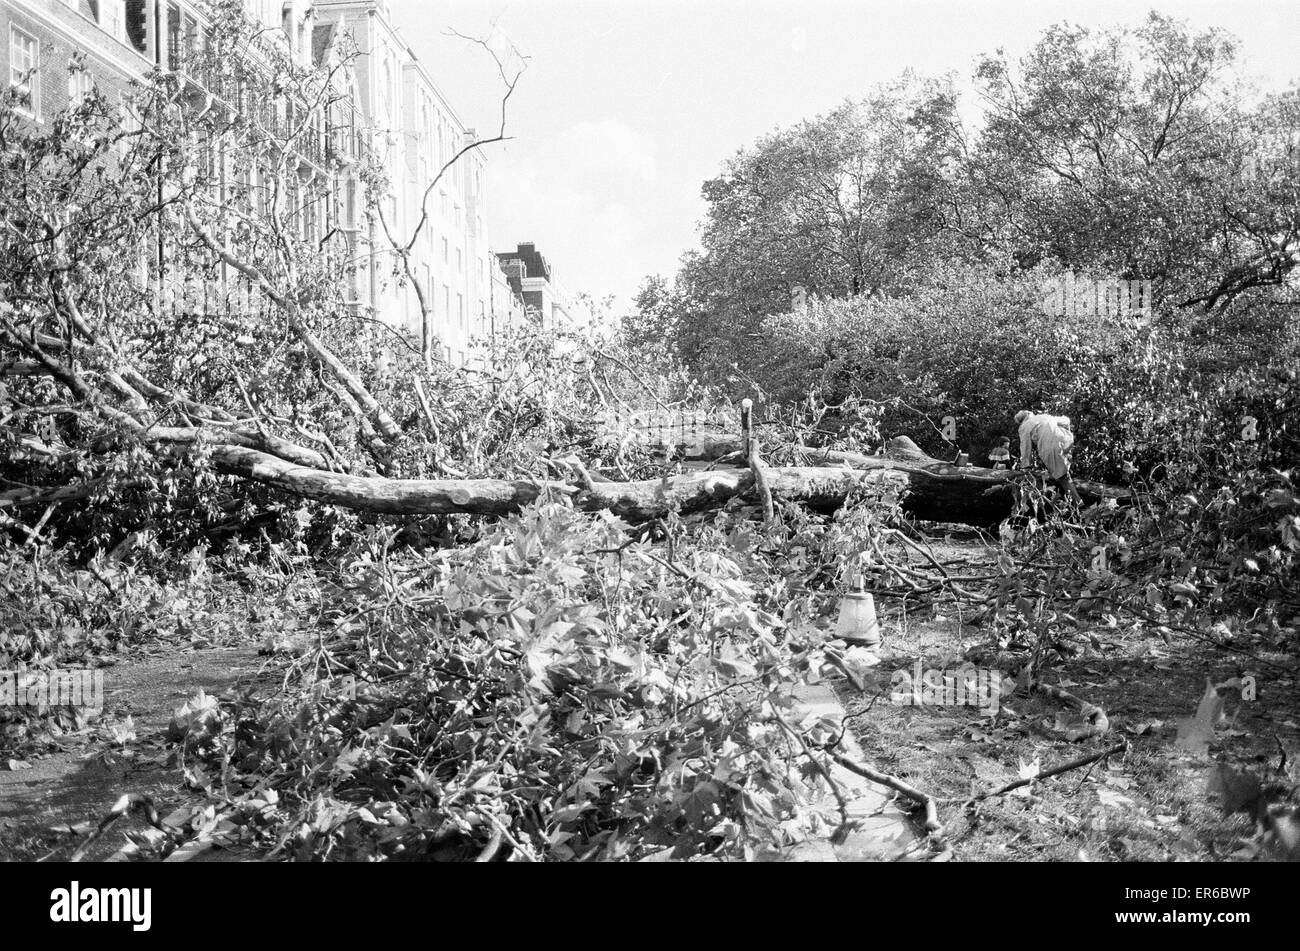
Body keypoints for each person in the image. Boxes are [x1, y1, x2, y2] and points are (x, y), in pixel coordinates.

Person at [1014, 410, 1082, 505]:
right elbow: (1066, 420)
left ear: (1021, 421)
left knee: (1063, 477)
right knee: (1062, 468)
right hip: (1066, 440)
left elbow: (1025, 447)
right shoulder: (1044, 416)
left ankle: (1079, 503)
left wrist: (1026, 466)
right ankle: (1068, 494)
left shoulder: (1024, 427)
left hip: (1050, 447)